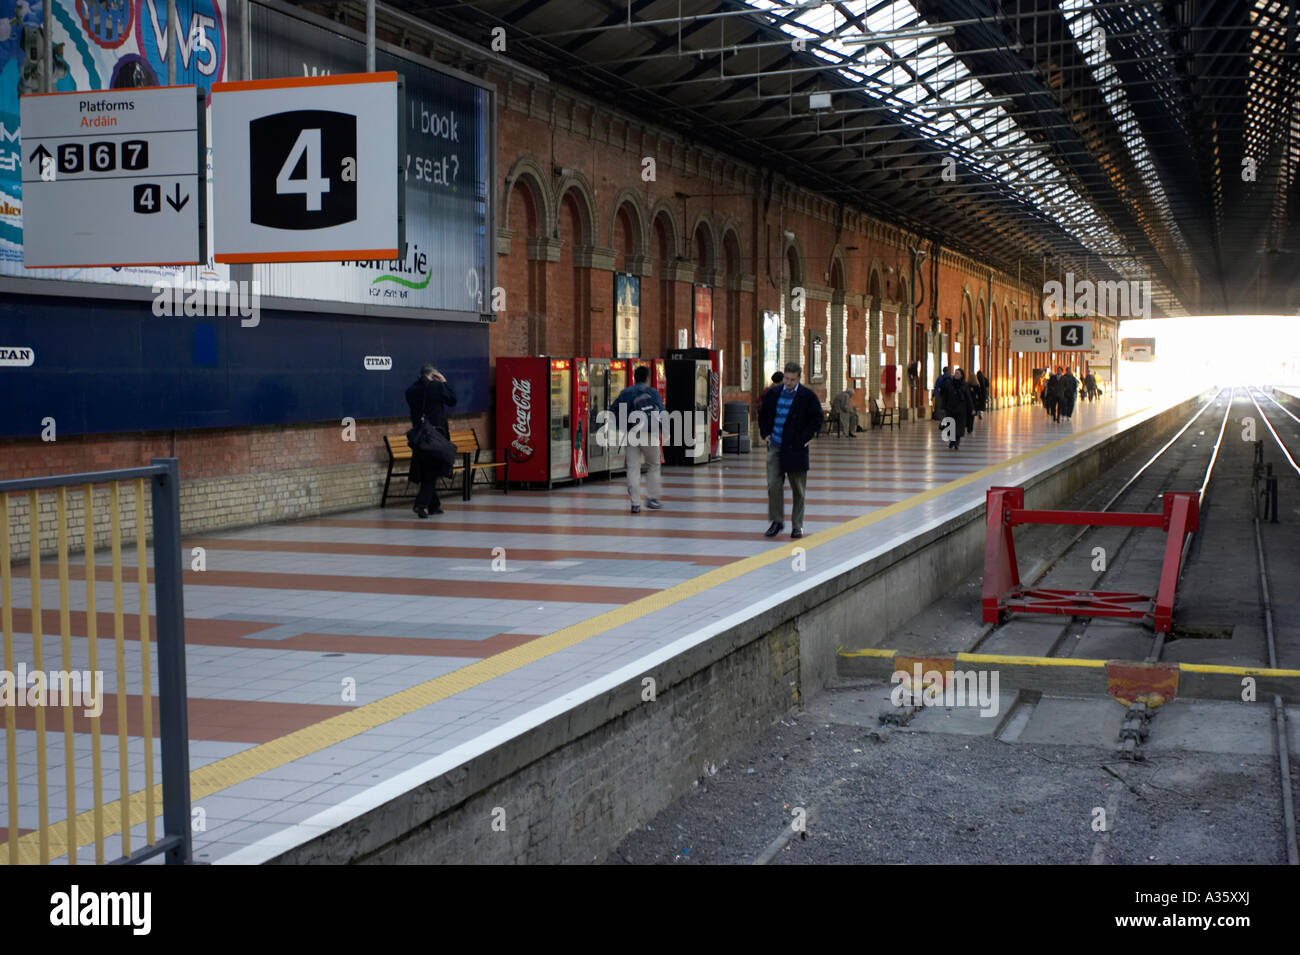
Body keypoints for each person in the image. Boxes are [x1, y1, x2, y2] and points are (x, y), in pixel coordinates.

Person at [758, 362, 823, 539]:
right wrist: (766, 434)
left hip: (796, 449)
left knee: (798, 489)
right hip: (776, 446)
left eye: (792, 380)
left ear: (798, 379)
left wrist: (805, 438)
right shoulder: (773, 394)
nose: (788, 382)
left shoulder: (807, 396)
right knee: (773, 485)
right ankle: (777, 521)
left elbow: (817, 419)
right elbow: (762, 414)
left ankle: (797, 525)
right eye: (786, 378)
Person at [610, 364, 665, 514]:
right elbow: (661, 412)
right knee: (653, 465)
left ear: (634, 377)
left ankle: (635, 504)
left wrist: (622, 428)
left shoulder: (625, 393)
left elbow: (613, 411)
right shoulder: (652, 392)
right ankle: (652, 498)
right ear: (647, 378)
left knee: (633, 468)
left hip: (631, 434)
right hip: (649, 433)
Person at [405, 363, 456, 518]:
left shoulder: (410, 391)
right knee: (432, 471)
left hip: (419, 435)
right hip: (436, 436)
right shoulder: (437, 387)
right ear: (433, 375)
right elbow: (452, 400)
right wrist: (444, 381)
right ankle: (421, 505)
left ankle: (434, 505)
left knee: (427, 469)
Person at [939, 367, 975, 449]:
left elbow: (968, 397)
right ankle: (952, 441)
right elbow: (945, 396)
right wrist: (943, 406)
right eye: (955, 373)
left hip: (960, 410)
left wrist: (972, 408)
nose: (956, 374)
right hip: (950, 408)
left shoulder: (965, 385)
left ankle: (957, 442)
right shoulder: (950, 384)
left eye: (958, 373)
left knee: (959, 427)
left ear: (962, 375)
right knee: (951, 426)